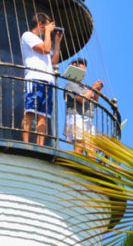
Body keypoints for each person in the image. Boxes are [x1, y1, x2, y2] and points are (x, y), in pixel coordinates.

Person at [20, 12, 62, 145]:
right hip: (34, 78)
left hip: (47, 80)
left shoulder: (45, 40)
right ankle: (26, 143)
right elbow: (45, 48)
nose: (48, 29)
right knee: (30, 112)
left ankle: (40, 144)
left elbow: (54, 61)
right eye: (47, 25)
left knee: (43, 116)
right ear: (40, 24)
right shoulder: (27, 36)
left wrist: (57, 42)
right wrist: (49, 34)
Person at [63, 58, 104, 156]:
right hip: (76, 116)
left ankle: (92, 169)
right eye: (81, 70)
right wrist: (93, 89)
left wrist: (97, 91)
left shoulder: (84, 86)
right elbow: (82, 99)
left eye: (84, 71)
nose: (84, 73)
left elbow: (94, 104)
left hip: (87, 118)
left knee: (91, 146)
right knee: (80, 144)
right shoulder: (71, 85)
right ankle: (78, 166)